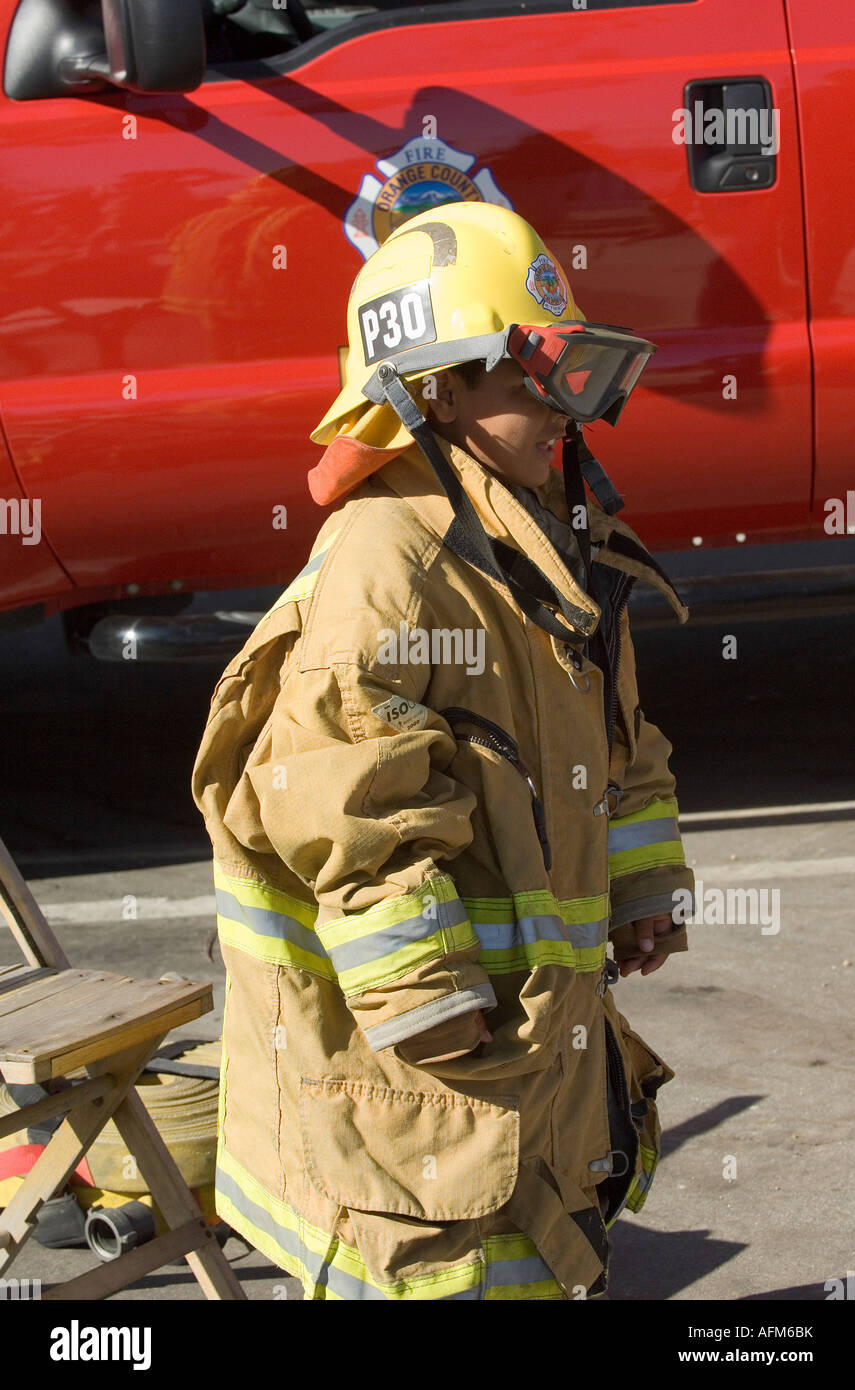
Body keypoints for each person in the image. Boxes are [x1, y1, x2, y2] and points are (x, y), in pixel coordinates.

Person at [192, 201, 695, 1301]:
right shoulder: (390, 565)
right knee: (451, 1259)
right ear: (434, 392)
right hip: (421, 1050)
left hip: (514, 1037)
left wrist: (640, 876)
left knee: (535, 1235)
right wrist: (427, 991)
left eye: (567, 379)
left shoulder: (545, 545)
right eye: (527, 382)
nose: (557, 410)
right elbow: (342, 803)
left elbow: (615, 733)